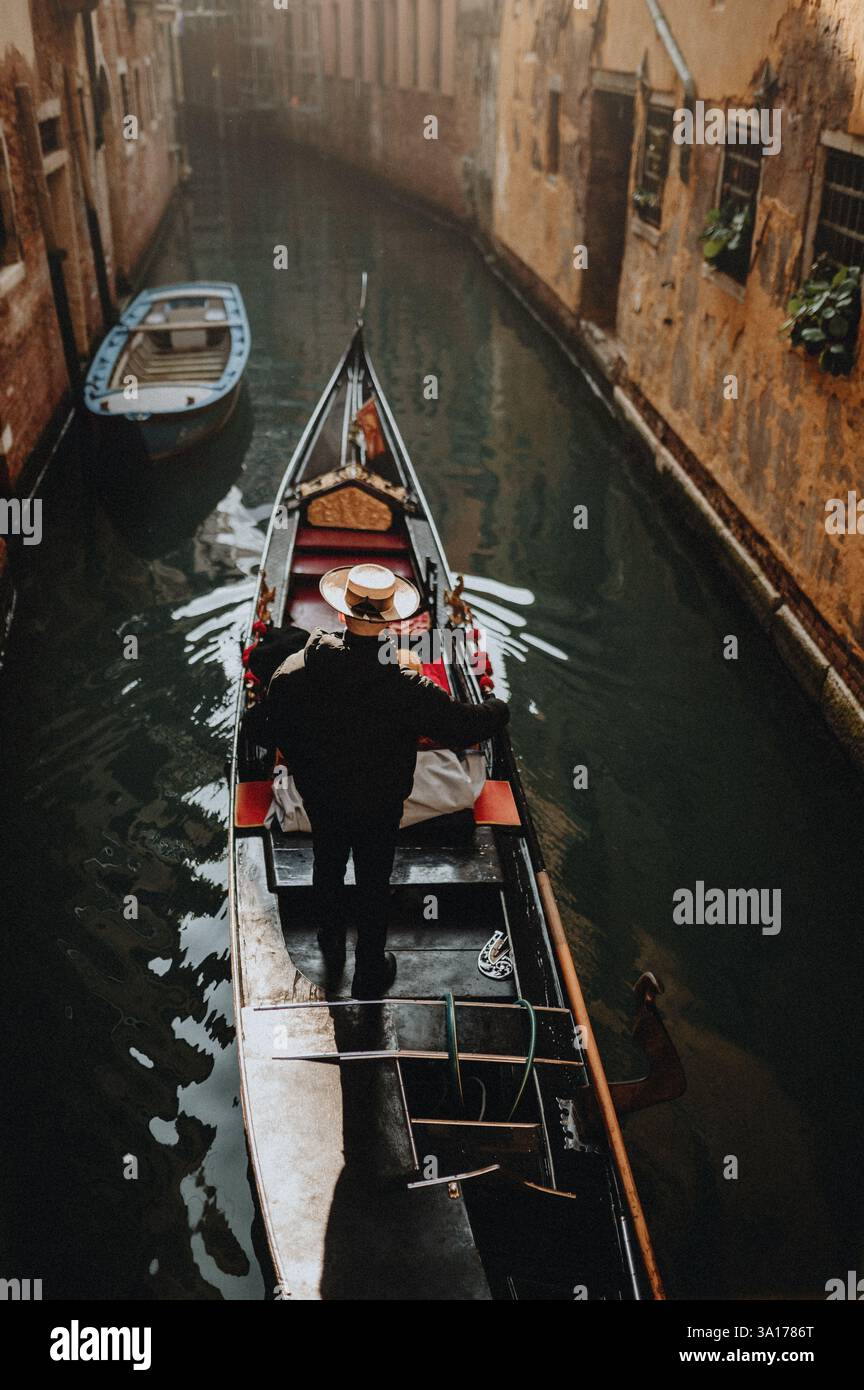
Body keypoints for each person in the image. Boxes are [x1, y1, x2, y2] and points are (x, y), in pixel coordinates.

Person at [266, 562, 510, 999]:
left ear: (340, 615)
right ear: (392, 621)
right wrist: (498, 707)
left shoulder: (293, 671)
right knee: (374, 880)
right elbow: (462, 726)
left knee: (328, 862)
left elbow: (271, 730)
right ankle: (369, 972)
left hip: (322, 797)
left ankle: (329, 940)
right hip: (379, 803)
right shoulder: (408, 687)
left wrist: (306, 768)